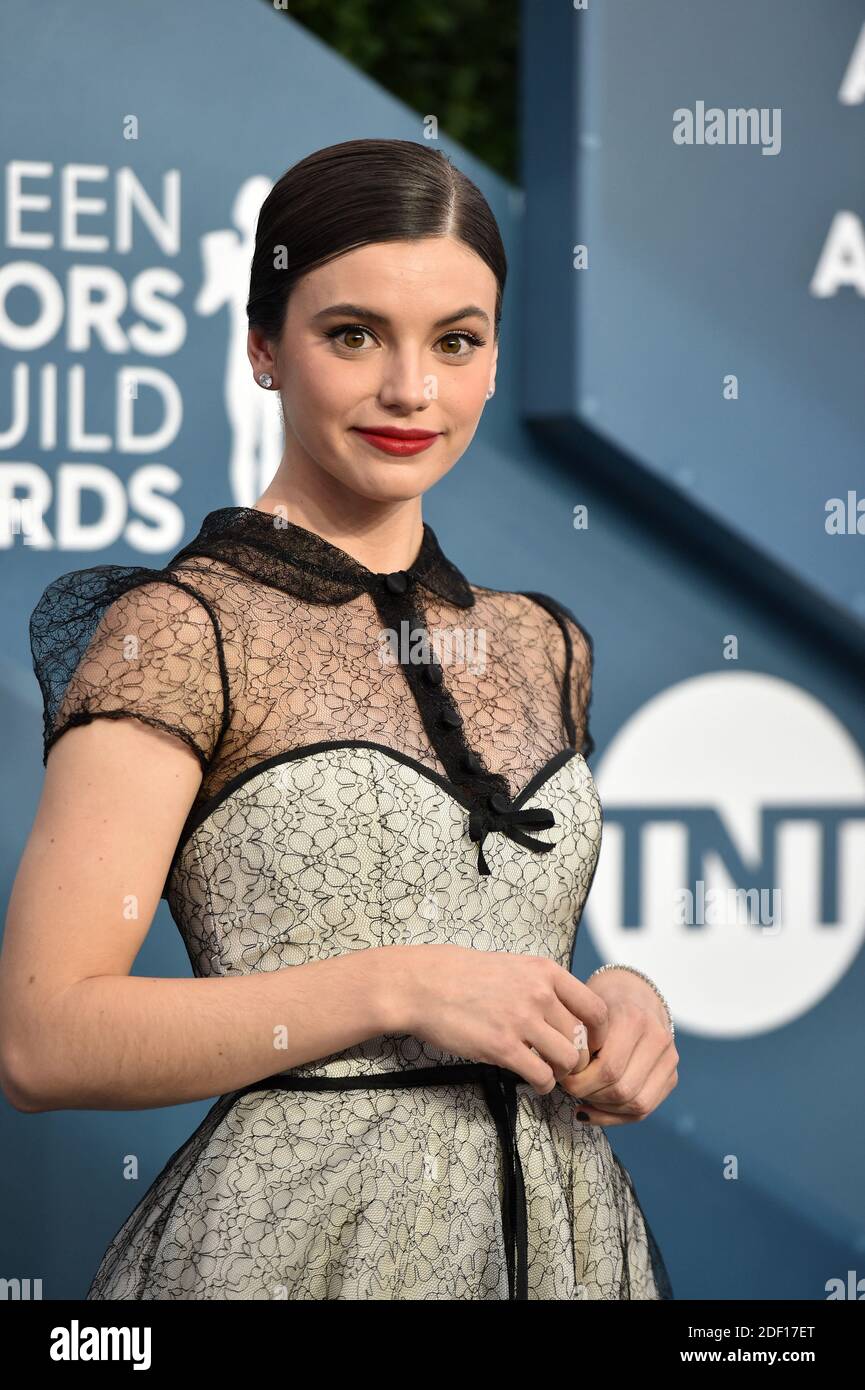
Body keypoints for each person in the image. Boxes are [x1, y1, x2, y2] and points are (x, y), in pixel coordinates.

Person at [0, 138, 677, 1300]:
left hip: (565, 1244)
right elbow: (43, 1039)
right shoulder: (183, 631)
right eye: (353, 334)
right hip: (295, 1252)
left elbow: (505, 944)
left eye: (455, 340)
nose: (411, 390)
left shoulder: (542, 642)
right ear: (264, 347)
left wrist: (619, 1003)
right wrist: (399, 988)